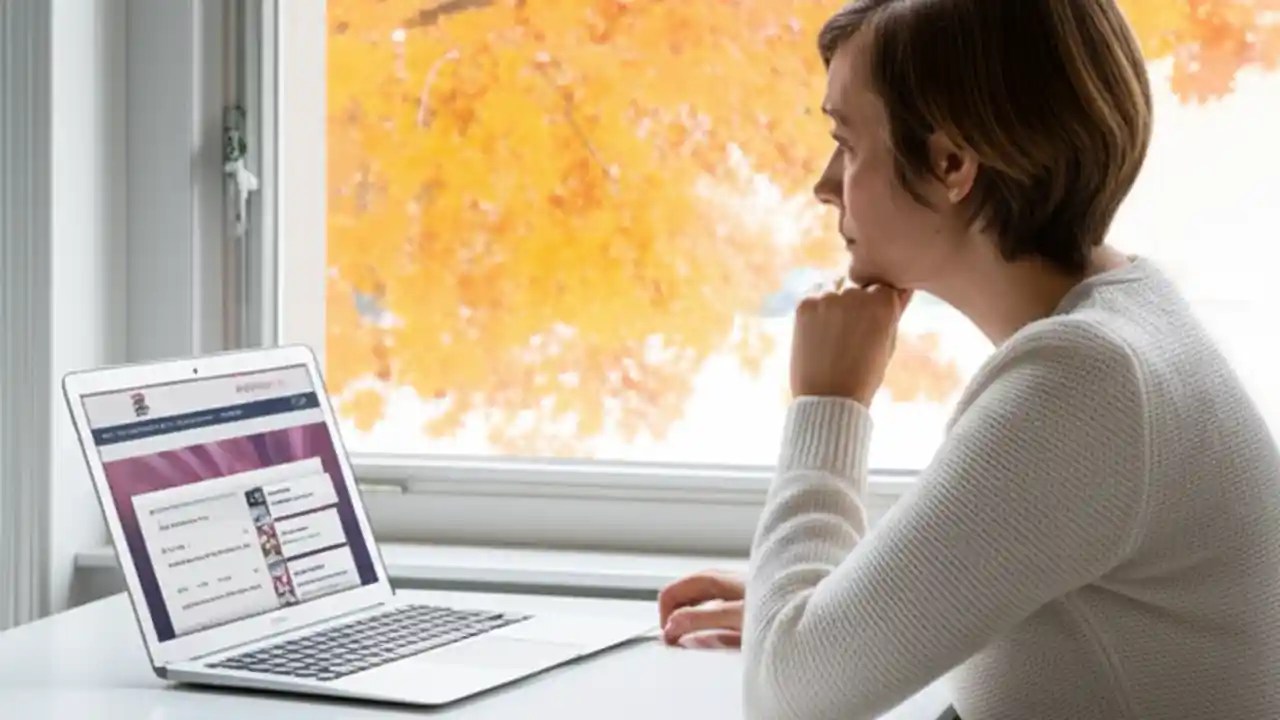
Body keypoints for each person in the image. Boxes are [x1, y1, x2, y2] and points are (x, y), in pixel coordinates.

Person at [657, 1, 1280, 718]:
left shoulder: (1088, 380)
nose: (825, 184)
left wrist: (827, 402)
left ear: (951, 163)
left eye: (847, 142)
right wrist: (830, 613)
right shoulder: (1133, 325)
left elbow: (789, 702)